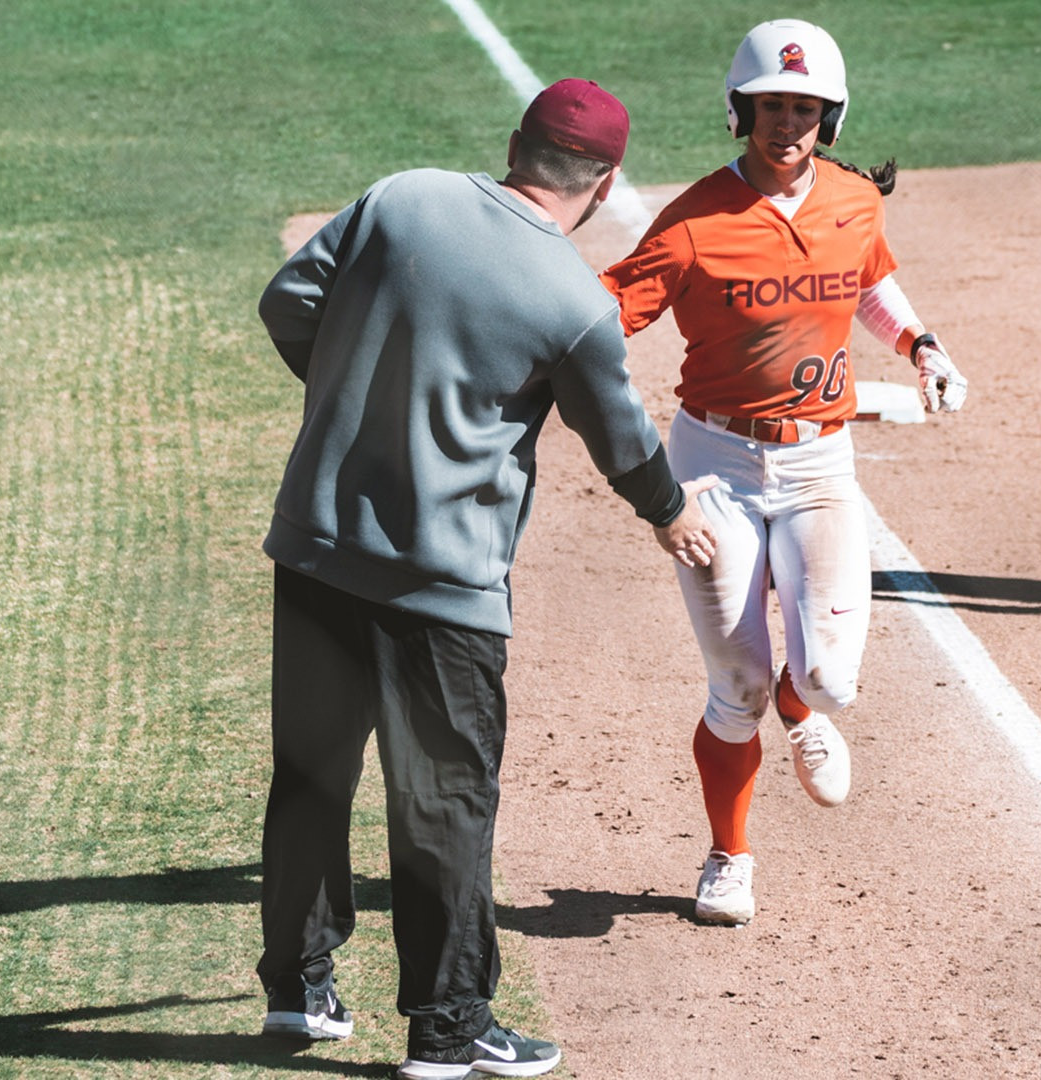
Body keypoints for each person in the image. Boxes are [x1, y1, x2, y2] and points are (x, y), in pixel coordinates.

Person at [254, 79, 716, 1079]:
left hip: (317, 551)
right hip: (442, 591)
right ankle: (449, 1032)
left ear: (516, 145)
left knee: (310, 775)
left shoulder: (401, 198)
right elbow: (622, 438)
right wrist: (670, 514)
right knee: (444, 801)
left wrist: (353, 401)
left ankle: (296, 990)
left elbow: (287, 301)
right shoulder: (574, 303)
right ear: (605, 182)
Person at [601, 19, 969, 926]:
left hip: (818, 462)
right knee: (737, 685)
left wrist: (922, 345)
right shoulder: (691, 223)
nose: (786, 124)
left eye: (804, 108)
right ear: (742, 111)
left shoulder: (853, 200)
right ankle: (730, 858)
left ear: (829, 118)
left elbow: (870, 281)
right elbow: (599, 325)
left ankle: (805, 715)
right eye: (771, 106)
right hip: (715, 465)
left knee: (829, 680)